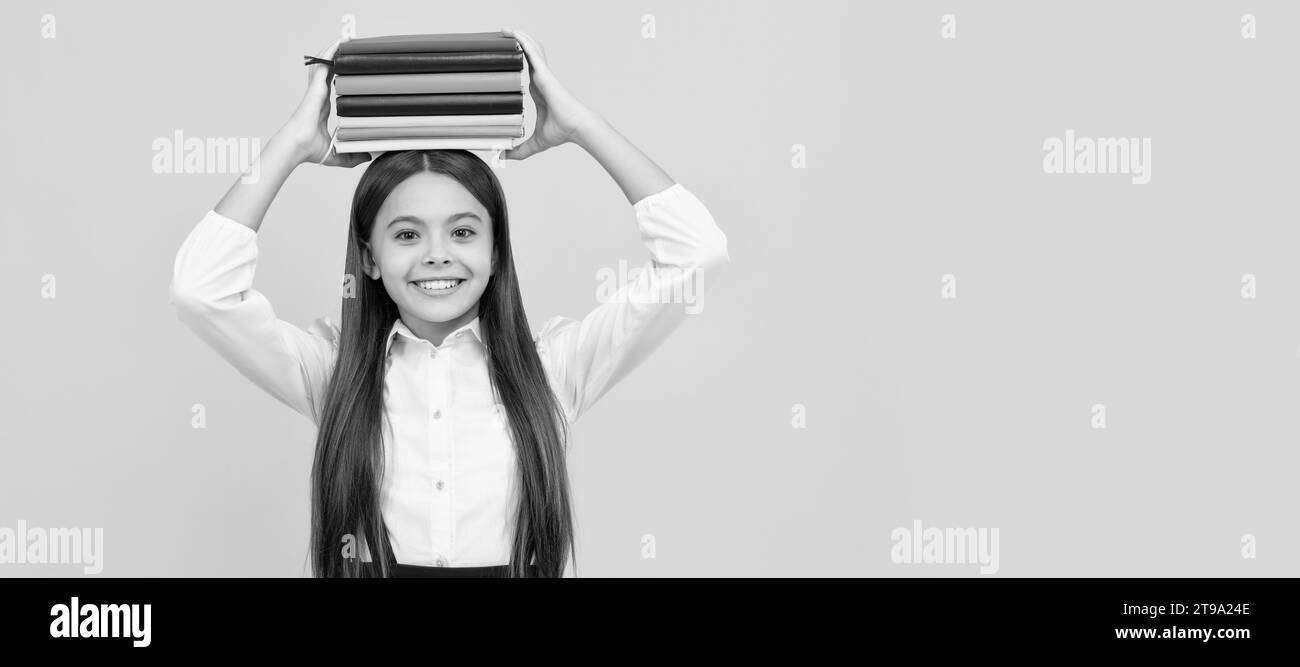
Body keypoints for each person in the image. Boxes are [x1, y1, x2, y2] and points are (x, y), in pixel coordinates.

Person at [168, 28, 731, 577]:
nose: (437, 256)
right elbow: (201, 290)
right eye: (407, 235)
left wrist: (580, 126)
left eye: (462, 232)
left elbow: (695, 255)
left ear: (495, 250)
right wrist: (291, 146)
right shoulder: (334, 369)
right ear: (369, 258)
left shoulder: (553, 365)